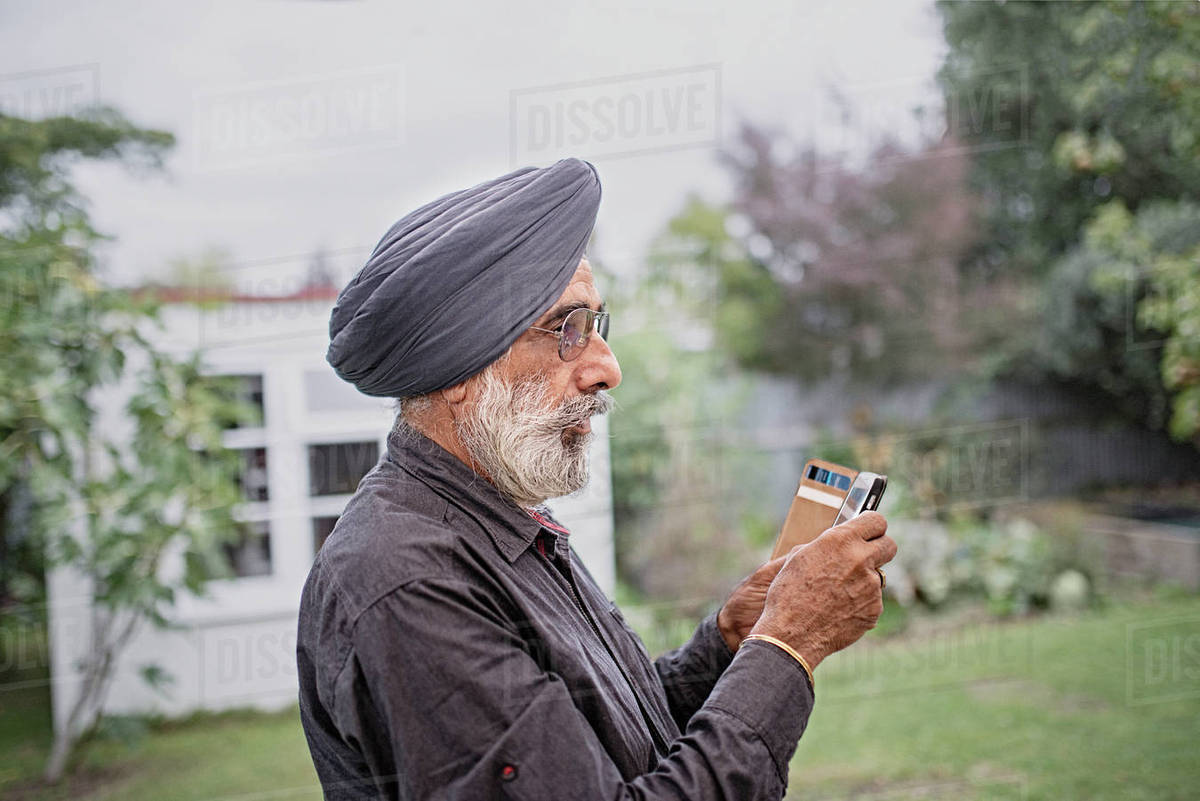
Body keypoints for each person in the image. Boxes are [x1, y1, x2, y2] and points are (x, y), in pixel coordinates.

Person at [297, 158, 897, 800]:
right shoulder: (409, 579)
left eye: (596, 328)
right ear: (461, 368)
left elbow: (595, 743)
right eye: (566, 331)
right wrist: (787, 645)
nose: (607, 368)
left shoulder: (491, 517)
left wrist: (728, 641)